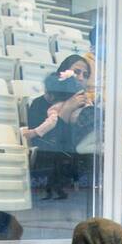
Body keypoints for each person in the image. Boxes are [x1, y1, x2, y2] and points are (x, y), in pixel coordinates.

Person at [24, 56, 94, 200]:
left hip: (81, 172)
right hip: (48, 166)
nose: (81, 78)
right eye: (77, 72)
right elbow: (43, 143)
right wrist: (66, 110)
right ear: (62, 73)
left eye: (85, 75)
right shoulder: (39, 103)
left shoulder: (88, 107)